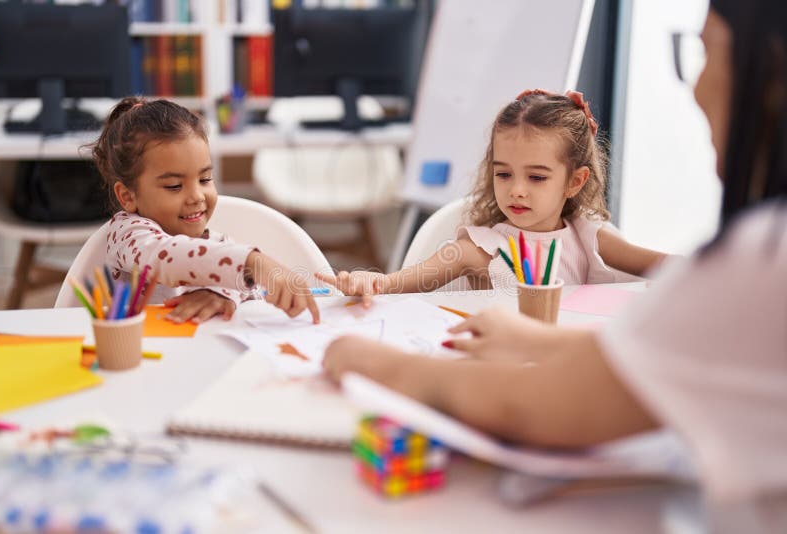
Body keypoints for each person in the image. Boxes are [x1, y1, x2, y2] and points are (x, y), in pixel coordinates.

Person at [323, 0, 786, 530]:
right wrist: (374, 281)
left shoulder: (743, 262)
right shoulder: (483, 242)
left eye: (706, 52)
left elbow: (538, 405)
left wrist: (369, 360)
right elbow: (408, 278)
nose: (696, 87)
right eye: (504, 174)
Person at [316, 90, 666, 305]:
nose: (516, 189)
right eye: (503, 174)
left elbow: (668, 268)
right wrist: (369, 281)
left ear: (574, 182)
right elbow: (396, 284)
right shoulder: (480, 249)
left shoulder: (588, 236)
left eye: (537, 177)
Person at [92, 97, 320, 324]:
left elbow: (248, 292)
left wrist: (221, 293)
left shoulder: (219, 243)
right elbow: (167, 257)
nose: (197, 196)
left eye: (205, 179)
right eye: (174, 186)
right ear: (128, 196)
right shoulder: (127, 234)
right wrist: (252, 262)